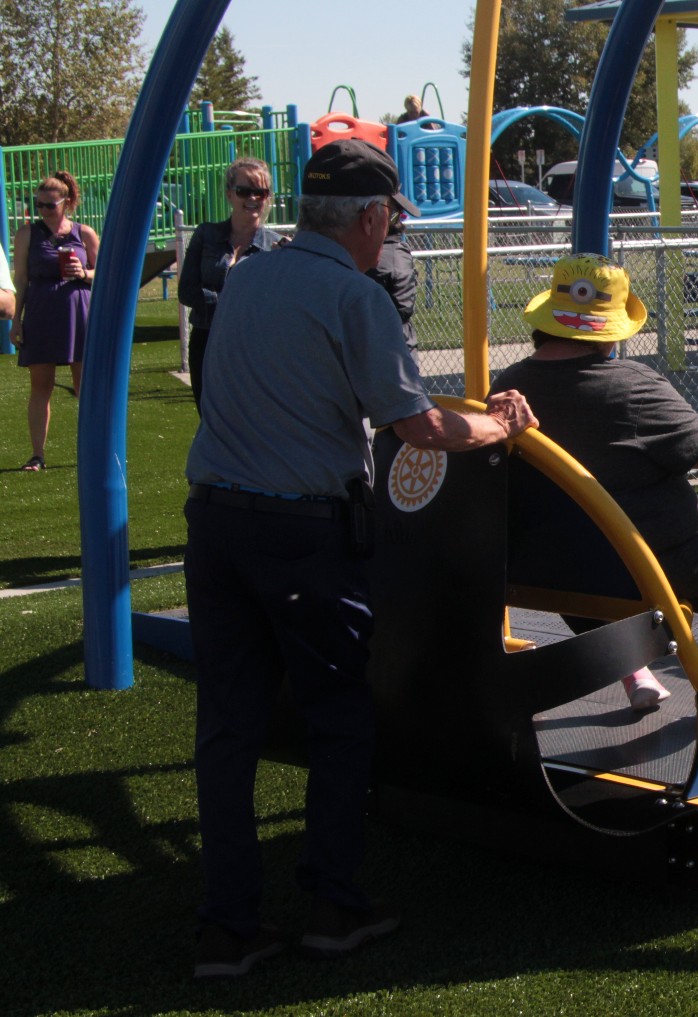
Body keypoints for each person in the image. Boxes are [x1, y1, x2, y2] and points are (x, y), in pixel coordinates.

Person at [185, 139, 535, 979]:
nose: (389, 239)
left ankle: (229, 923)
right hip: (302, 534)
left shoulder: (247, 276)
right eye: (389, 223)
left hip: (215, 526)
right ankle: (334, 902)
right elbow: (418, 426)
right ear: (371, 219)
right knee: (340, 713)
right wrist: (501, 425)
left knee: (228, 726)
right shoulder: (355, 295)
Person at [492, 253, 698, 720]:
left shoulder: (509, 385)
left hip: (546, 566)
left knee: (582, 554)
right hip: (646, 562)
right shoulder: (631, 386)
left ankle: (631, 662)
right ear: (611, 330)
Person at [178, 157, 284, 410]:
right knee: (209, 417)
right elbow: (187, 291)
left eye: (260, 192)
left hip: (254, 346)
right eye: (244, 191)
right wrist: (232, 303)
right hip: (206, 339)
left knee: (253, 418)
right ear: (229, 194)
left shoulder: (278, 246)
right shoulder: (207, 235)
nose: (253, 198)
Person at [10, 170, 98, 472]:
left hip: (78, 311)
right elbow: (20, 280)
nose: (45, 211)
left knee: (83, 386)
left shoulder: (84, 234)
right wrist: (16, 321)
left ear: (67, 202)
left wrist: (83, 273)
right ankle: (37, 454)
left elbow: (105, 274)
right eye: (40, 205)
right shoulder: (26, 234)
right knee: (41, 386)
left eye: (51, 205)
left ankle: (92, 452)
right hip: (40, 311)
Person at [365, 216, 417, 349]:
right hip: (394, 335)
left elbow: (403, 308)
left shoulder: (387, 253)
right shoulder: (395, 251)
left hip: (391, 336)